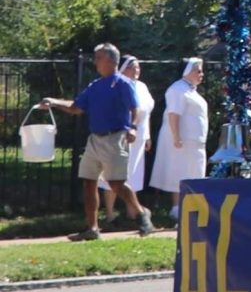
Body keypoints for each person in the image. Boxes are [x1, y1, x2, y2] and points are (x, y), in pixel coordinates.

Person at [42, 43, 155, 240]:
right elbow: (76, 107)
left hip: (115, 137)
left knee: (116, 183)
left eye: (98, 58)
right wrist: (54, 102)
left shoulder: (122, 83)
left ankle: (141, 214)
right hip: (95, 139)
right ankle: (92, 229)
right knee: (89, 181)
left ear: (111, 60)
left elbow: (134, 108)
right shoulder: (95, 86)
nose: (95, 62)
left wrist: (133, 128)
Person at [150, 58, 209, 221]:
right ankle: (177, 208)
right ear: (187, 71)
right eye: (198, 71)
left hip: (194, 142)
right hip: (182, 141)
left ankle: (191, 207)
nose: (201, 74)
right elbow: (174, 114)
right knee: (178, 173)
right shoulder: (177, 89)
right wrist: (176, 137)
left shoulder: (191, 91)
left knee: (194, 173)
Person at [98, 55, 153, 226]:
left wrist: (147, 136)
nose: (136, 70)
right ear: (122, 69)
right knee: (115, 174)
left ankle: (132, 211)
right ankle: (109, 214)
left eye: (137, 67)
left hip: (139, 137)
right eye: (131, 67)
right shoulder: (116, 85)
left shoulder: (142, 87)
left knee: (133, 175)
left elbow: (146, 113)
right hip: (121, 135)